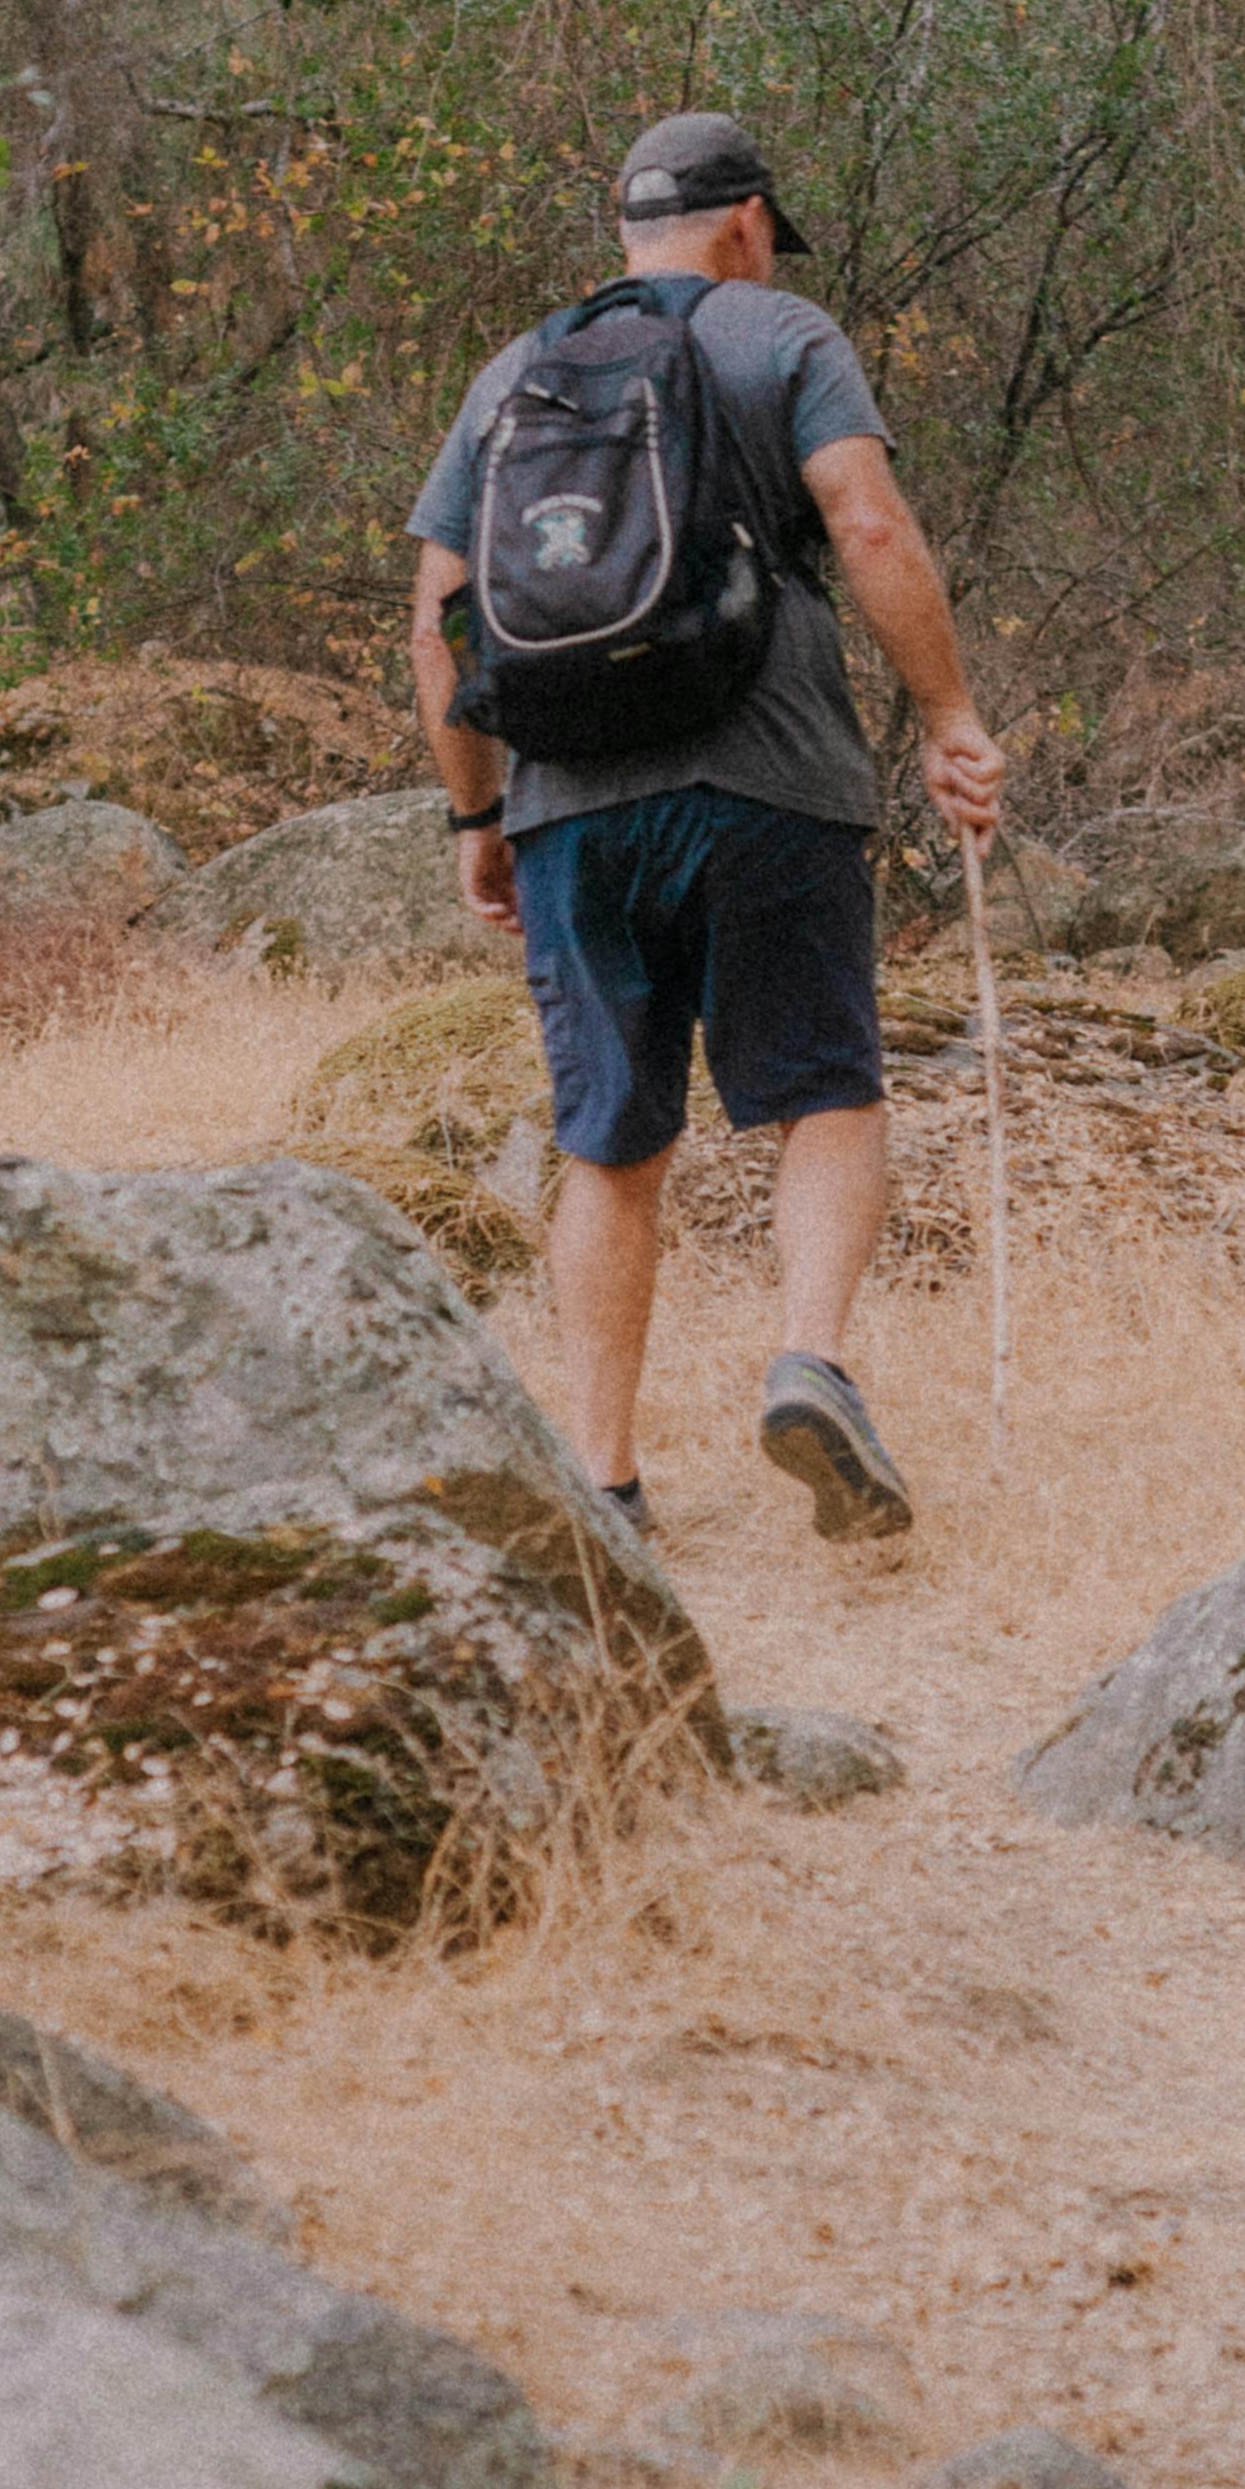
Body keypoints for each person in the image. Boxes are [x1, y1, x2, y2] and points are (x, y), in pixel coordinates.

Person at [409, 109, 1006, 1548]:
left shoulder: (515, 374)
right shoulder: (779, 333)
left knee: (609, 1145)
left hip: (567, 810)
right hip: (770, 785)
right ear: (748, 223)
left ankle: (605, 1482)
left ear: (625, 230)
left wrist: (478, 814)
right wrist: (948, 720)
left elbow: (436, 613)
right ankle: (806, 1362)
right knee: (823, 1092)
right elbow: (865, 526)